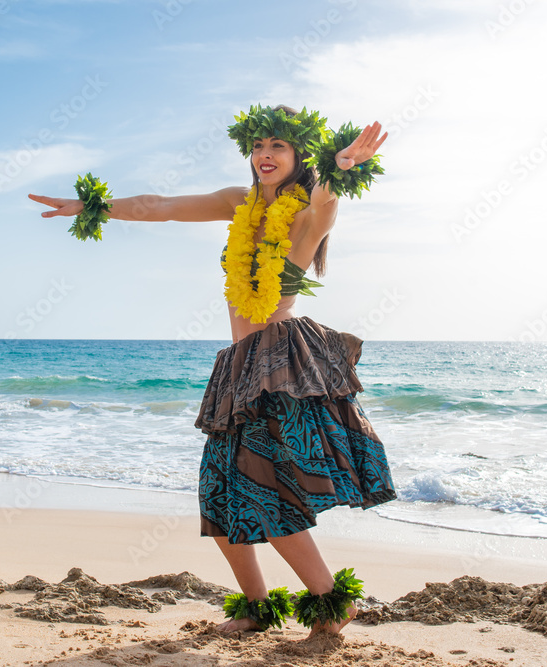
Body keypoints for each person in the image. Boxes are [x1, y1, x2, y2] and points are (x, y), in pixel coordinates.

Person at [28, 104, 398, 639]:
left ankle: (331, 603)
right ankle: (256, 608)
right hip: (236, 367)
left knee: (266, 488)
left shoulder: (306, 214)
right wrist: (93, 205)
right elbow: (162, 206)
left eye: (279, 146)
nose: (265, 155)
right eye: (259, 146)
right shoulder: (238, 203)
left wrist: (340, 168)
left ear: (300, 156)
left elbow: (327, 201)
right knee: (220, 490)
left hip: (279, 364)